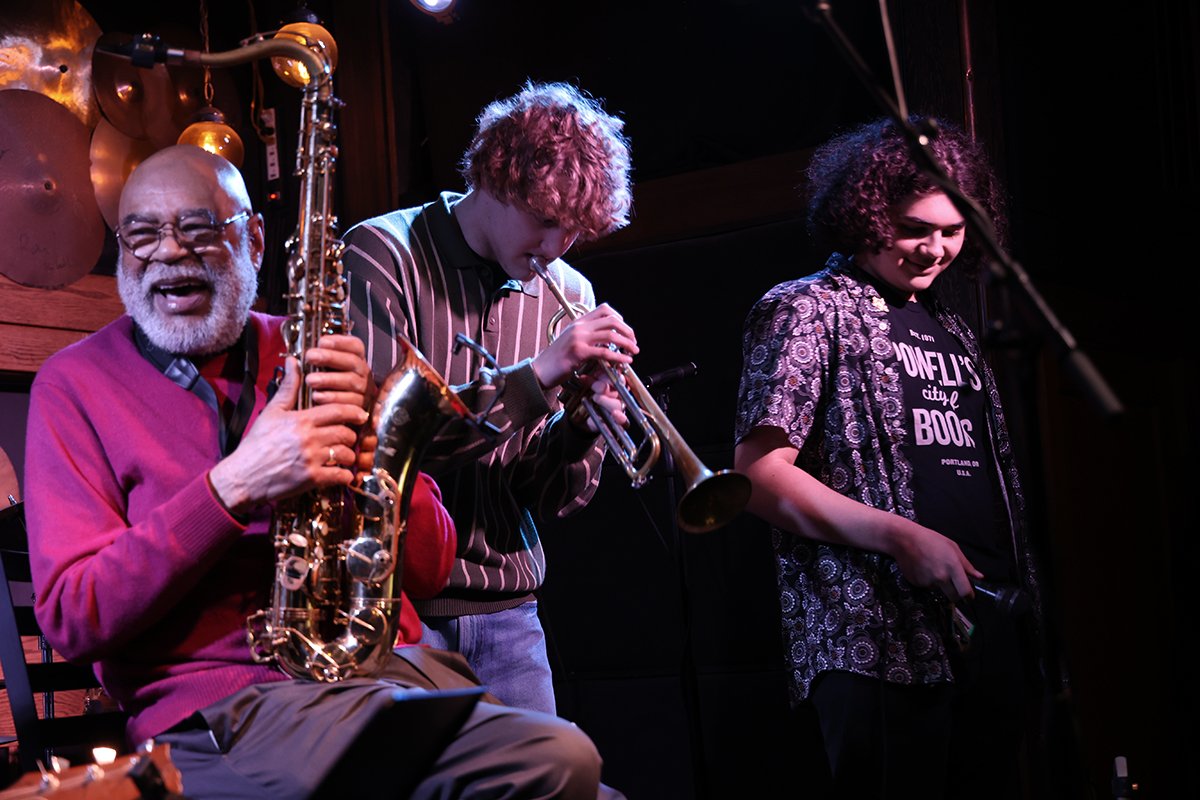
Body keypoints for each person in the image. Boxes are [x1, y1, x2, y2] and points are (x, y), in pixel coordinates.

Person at [25, 145, 622, 800]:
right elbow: (71, 617)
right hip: (220, 719)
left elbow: (426, 568)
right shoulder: (74, 383)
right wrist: (235, 485)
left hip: (391, 681)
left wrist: (377, 464)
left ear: (254, 240)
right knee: (557, 758)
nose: (167, 253)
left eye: (197, 230)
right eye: (139, 235)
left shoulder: (314, 350)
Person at [734, 118, 1040, 798]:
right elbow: (756, 477)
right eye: (914, 229)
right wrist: (902, 536)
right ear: (865, 215)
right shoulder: (805, 309)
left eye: (953, 231)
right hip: (878, 637)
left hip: (984, 620)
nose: (936, 250)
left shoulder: (954, 326)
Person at [341, 82, 636, 715]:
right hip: (394, 608)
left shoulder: (568, 290)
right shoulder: (382, 254)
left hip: (510, 612)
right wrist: (538, 375)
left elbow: (546, 496)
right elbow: (385, 451)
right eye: (547, 222)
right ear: (499, 180)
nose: (557, 249)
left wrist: (584, 427)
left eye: (574, 233)